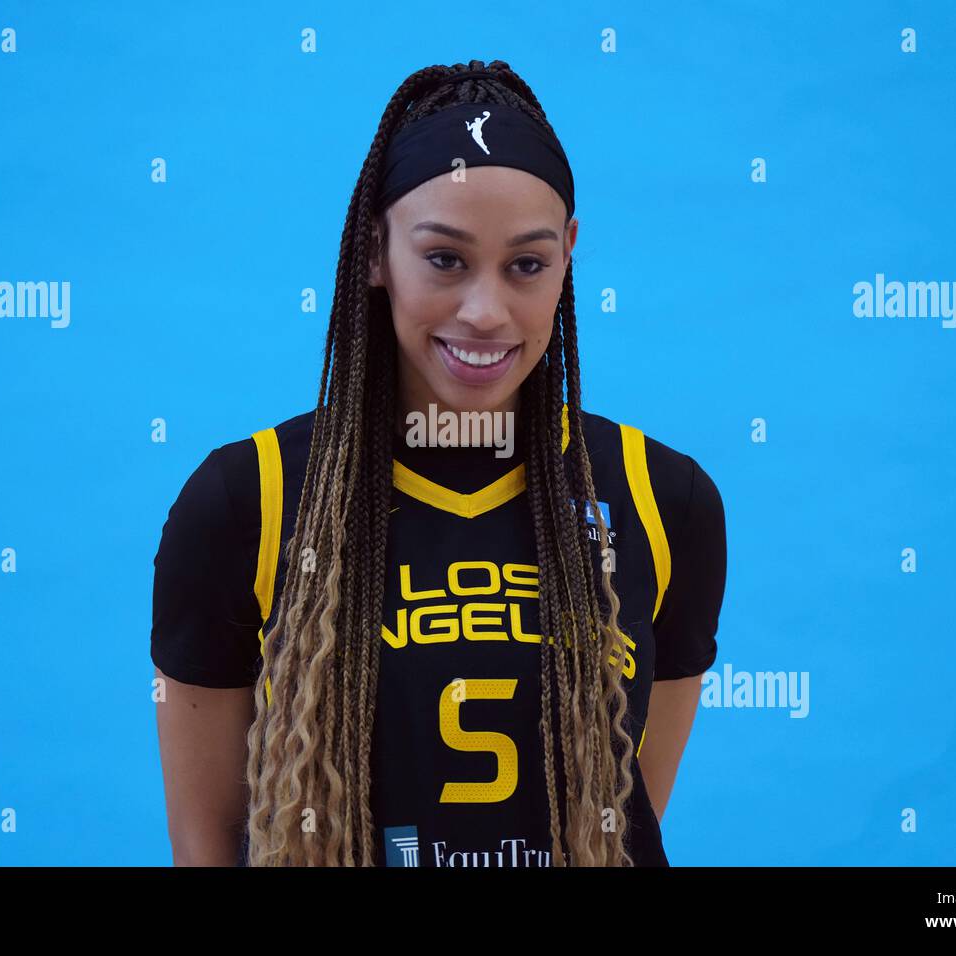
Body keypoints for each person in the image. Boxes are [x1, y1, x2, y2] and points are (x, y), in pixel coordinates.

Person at [151, 59, 727, 867]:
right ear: (375, 252)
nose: (487, 312)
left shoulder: (663, 499)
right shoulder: (248, 500)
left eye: (526, 265)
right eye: (446, 260)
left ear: (567, 254)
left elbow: (624, 812)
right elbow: (207, 843)